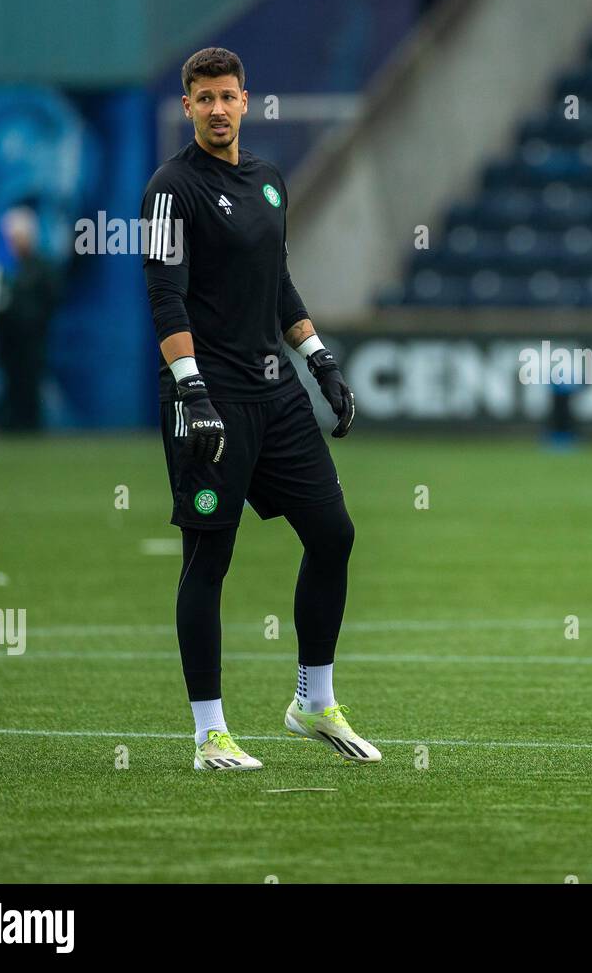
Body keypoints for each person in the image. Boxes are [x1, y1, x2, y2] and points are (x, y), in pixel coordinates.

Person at [142, 46, 376, 771]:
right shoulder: (167, 189)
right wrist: (191, 386)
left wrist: (320, 360)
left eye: (228, 96)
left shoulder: (269, 182)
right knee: (209, 557)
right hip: (208, 396)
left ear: (248, 100)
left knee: (334, 533)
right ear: (188, 106)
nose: (217, 108)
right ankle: (209, 732)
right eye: (203, 97)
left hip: (275, 394)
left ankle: (313, 700)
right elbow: (164, 295)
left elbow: (278, 283)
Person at [0, 207, 60, 432]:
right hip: (8, 336)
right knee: (11, 379)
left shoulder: (41, 265)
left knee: (30, 379)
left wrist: (34, 317)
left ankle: (30, 425)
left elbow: (52, 297)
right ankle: (12, 424)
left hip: (33, 335)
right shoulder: (5, 267)